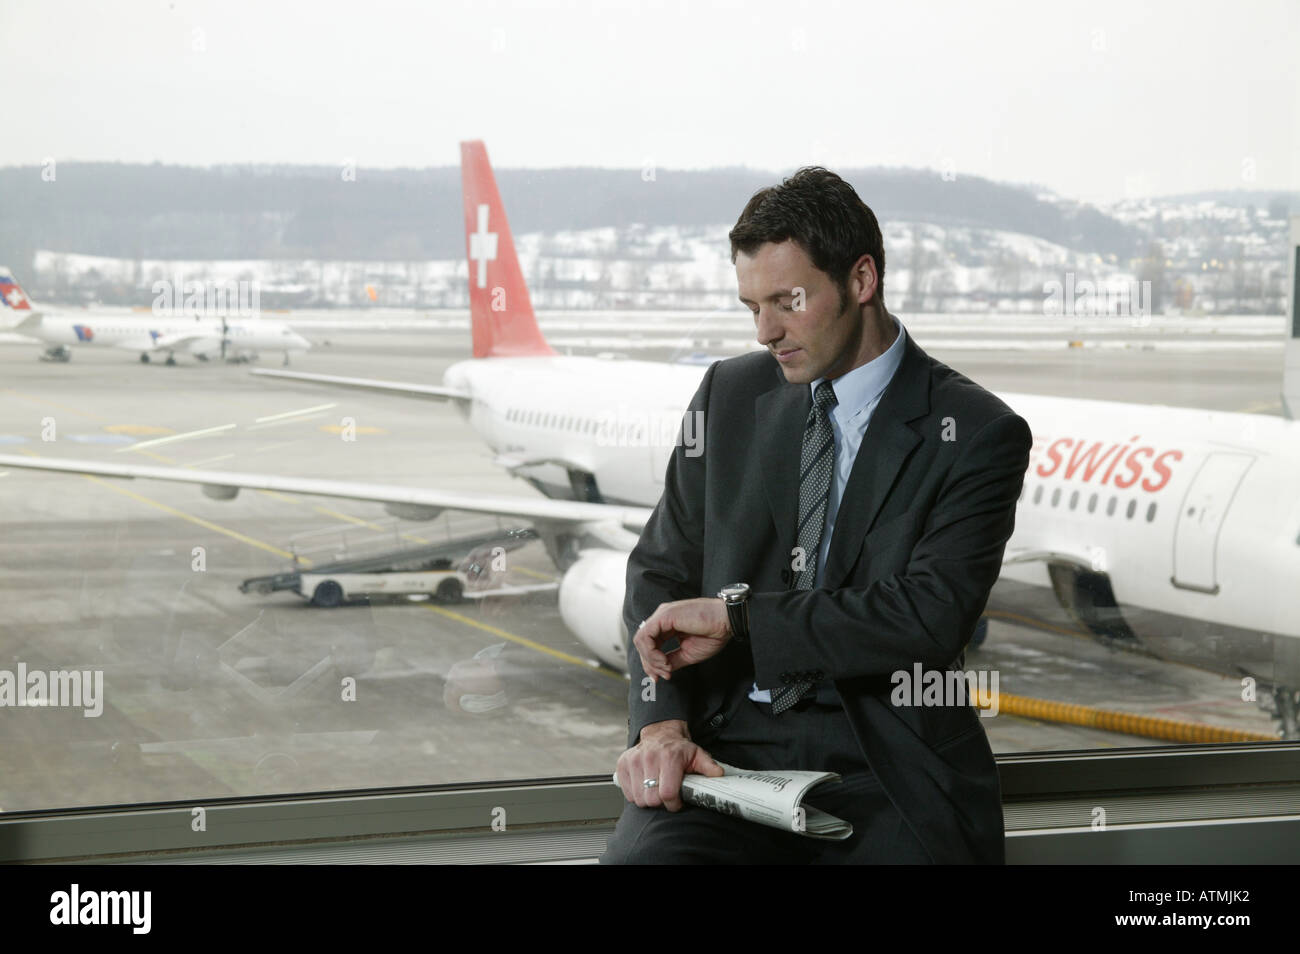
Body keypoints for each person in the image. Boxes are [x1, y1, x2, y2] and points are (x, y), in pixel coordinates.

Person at [600, 167, 1032, 864]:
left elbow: (929, 614)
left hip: (888, 766)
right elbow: (659, 569)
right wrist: (661, 725)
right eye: (751, 306)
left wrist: (740, 620)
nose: (767, 330)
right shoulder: (728, 394)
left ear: (861, 281)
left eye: (787, 302)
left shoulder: (977, 431)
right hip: (728, 755)